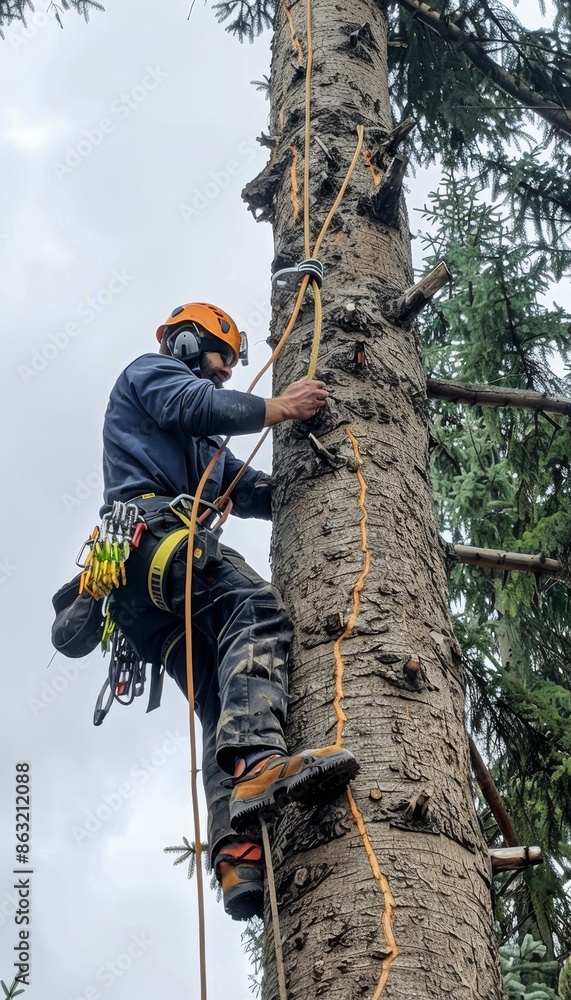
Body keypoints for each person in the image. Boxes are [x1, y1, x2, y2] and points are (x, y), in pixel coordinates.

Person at [101, 302, 359, 920]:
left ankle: (237, 853)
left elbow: (237, 487)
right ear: (188, 343)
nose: (220, 379)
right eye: (219, 364)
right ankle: (259, 763)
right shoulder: (151, 375)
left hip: (146, 601)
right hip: (154, 543)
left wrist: (300, 485)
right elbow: (193, 404)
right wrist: (279, 407)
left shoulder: (194, 444)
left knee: (221, 698)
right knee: (256, 608)